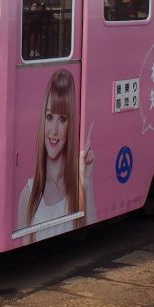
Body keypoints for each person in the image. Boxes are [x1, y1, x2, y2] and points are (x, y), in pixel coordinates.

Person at [17, 69, 95, 242]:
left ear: (71, 125)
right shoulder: (28, 195)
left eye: (63, 119)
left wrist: (88, 182)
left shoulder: (79, 187)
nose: (54, 130)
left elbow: (94, 240)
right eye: (50, 116)